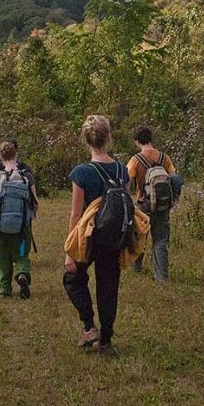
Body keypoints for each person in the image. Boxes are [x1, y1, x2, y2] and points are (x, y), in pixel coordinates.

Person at [63, 115, 144, 351]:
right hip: (114, 237)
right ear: (109, 137)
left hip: (89, 238)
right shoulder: (121, 170)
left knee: (72, 278)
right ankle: (106, 339)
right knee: (108, 287)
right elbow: (122, 206)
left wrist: (70, 251)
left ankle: (89, 328)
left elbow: (76, 215)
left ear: (86, 139)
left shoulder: (81, 173)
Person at [0, 142, 38, 299]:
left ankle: (4, 289)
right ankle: (22, 273)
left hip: (0, 229)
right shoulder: (26, 176)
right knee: (22, 255)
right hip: (22, 228)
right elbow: (35, 203)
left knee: (3, 260)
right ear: (16, 154)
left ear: (0, 156)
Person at [126, 124, 177, 282]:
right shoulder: (164, 157)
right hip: (162, 205)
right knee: (161, 240)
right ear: (150, 138)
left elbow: (127, 181)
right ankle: (162, 277)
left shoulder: (136, 160)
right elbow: (174, 177)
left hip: (144, 204)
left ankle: (137, 268)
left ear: (136, 141)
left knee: (139, 238)